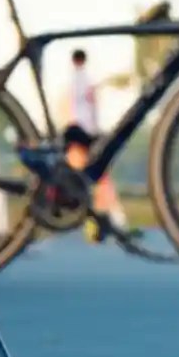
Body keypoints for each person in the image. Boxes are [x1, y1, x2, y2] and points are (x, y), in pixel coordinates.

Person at [62, 48, 135, 238]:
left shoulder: (74, 81)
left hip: (78, 132)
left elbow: (71, 106)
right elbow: (88, 106)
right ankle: (106, 220)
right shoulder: (84, 81)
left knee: (82, 179)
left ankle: (96, 220)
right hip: (85, 133)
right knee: (95, 178)